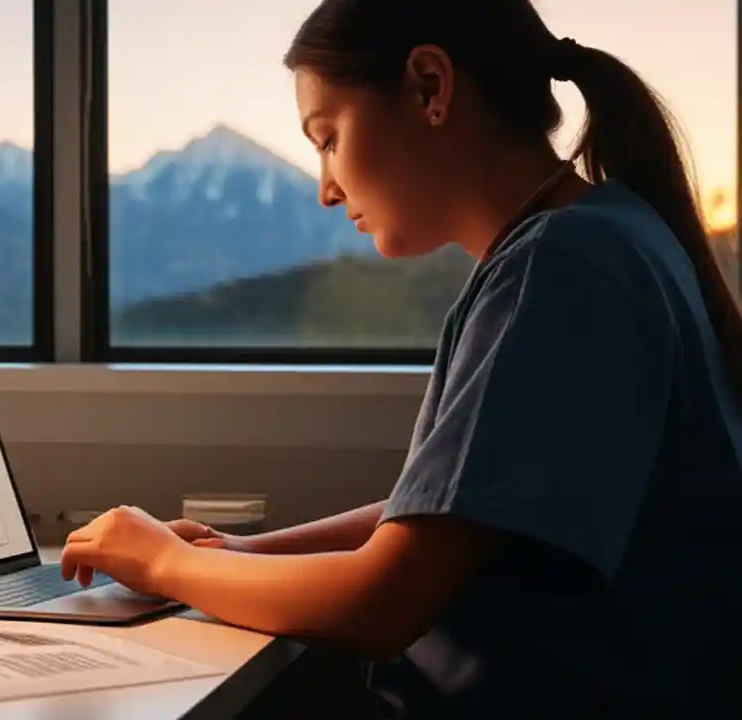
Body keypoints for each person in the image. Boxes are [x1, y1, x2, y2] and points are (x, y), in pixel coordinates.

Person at [59, 1, 742, 716]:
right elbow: (458, 512)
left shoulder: (561, 267)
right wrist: (236, 553)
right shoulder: (602, 236)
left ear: (428, 88)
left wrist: (168, 564)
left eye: (328, 138)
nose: (326, 188)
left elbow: (382, 603)